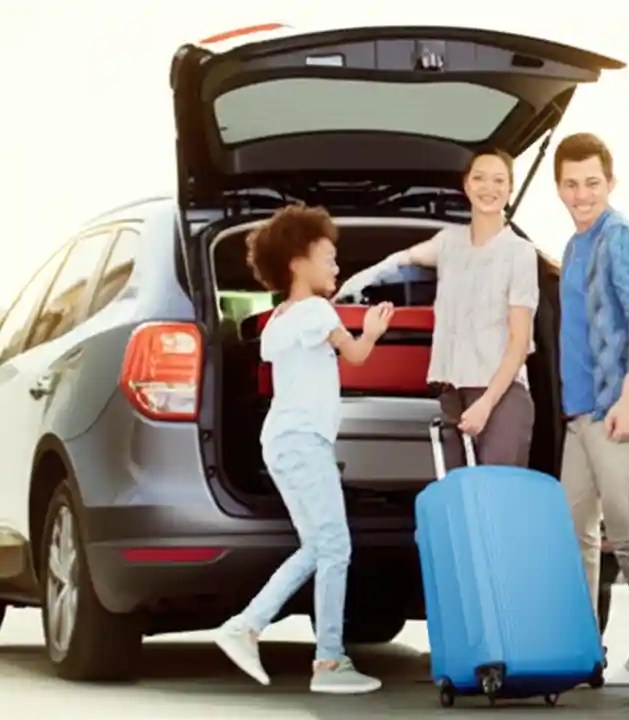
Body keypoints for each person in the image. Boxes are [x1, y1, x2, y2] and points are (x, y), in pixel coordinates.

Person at [213, 203, 394, 694]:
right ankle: (325, 660)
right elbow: (354, 354)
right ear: (297, 262)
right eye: (329, 256)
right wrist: (373, 331)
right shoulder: (317, 311)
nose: (337, 266)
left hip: (281, 443)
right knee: (335, 547)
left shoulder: (276, 321)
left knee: (318, 546)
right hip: (303, 443)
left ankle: (251, 629)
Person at [333, 149, 540, 467]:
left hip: (500, 395)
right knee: (459, 500)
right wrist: (349, 288)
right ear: (467, 185)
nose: (489, 187)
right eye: (480, 178)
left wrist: (486, 404)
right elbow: (403, 259)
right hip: (451, 394)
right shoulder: (448, 242)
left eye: (499, 180)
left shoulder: (520, 253)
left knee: (496, 499)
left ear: (510, 188)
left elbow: (519, 341)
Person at [552, 132, 629, 685]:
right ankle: (583, 650)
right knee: (576, 535)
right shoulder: (575, 247)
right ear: (559, 189)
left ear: (609, 183)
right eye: (570, 184)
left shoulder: (619, 236)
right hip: (580, 415)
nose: (581, 193)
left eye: (591, 182)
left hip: (617, 408)